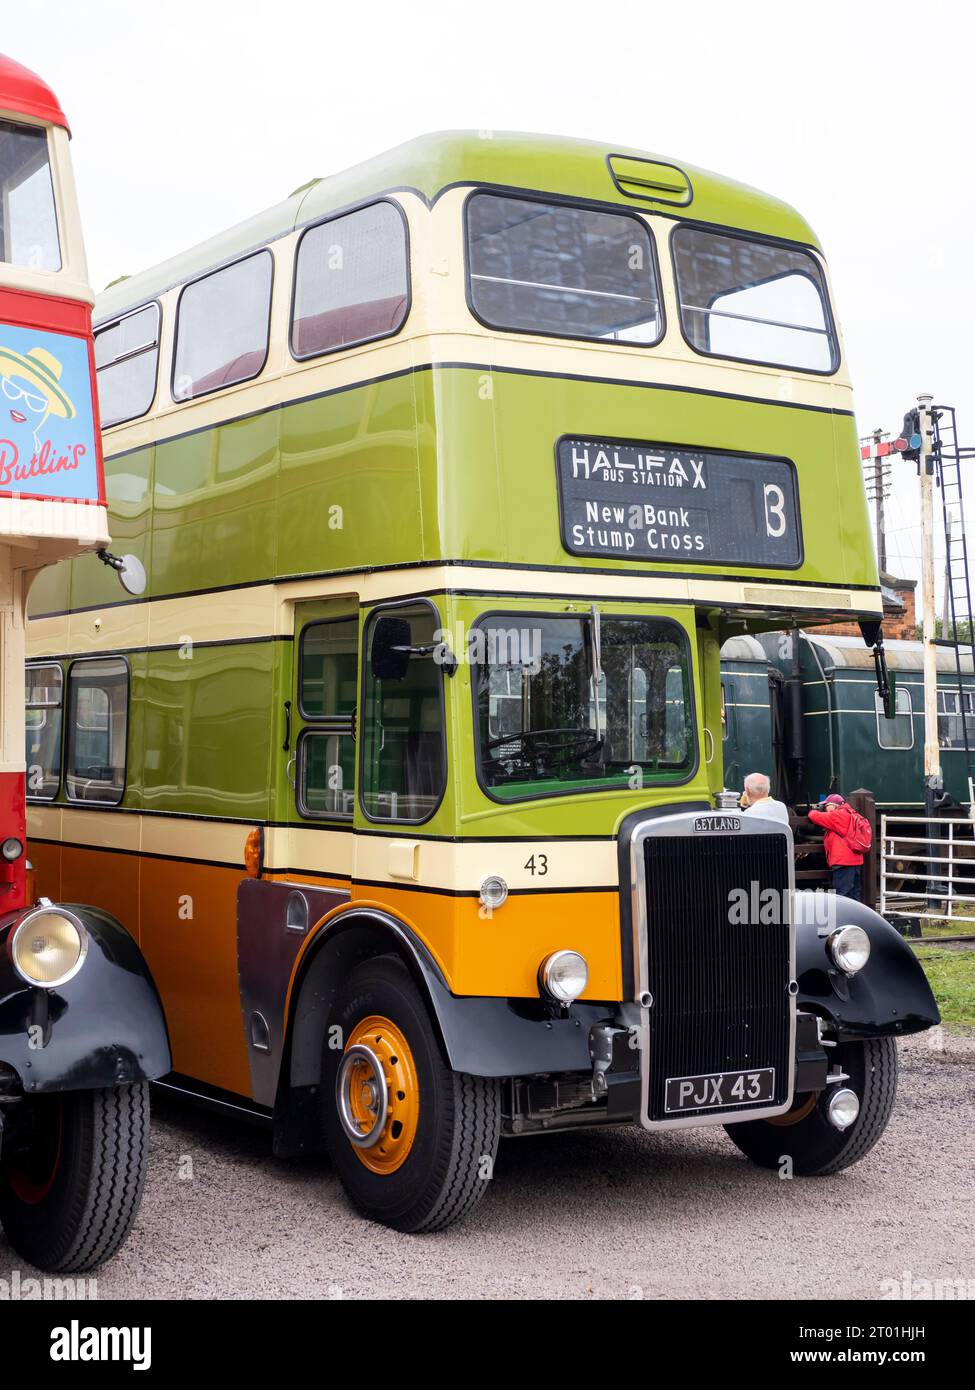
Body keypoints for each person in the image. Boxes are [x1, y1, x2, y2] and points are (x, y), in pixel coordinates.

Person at [808, 793, 868, 901]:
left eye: (826, 806)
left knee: (842, 896)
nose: (825, 809)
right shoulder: (853, 814)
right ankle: (855, 918)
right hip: (856, 861)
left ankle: (844, 918)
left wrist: (812, 811)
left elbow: (814, 816)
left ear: (833, 805)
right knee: (854, 895)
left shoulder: (837, 816)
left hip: (843, 862)